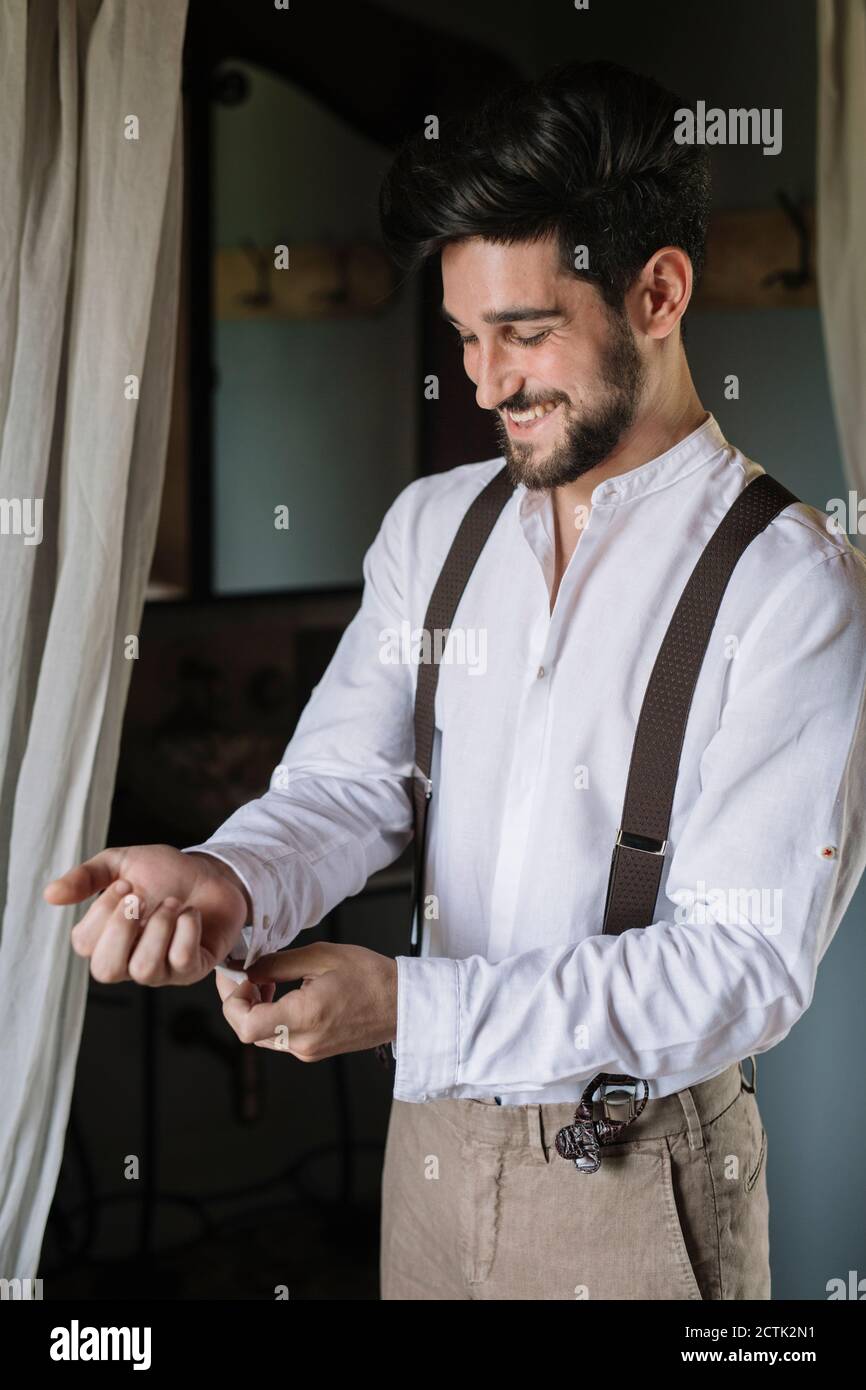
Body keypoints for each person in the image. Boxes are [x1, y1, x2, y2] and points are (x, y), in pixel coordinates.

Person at [44, 60, 866, 1300]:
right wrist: (227, 877)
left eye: (523, 333)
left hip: (635, 1171)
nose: (483, 381)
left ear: (656, 293)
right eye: (465, 338)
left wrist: (408, 1008)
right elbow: (345, 783)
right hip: (427, 1147)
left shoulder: (792, 588)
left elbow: (738, 965)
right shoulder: (432, 526)